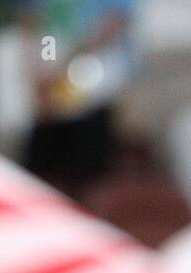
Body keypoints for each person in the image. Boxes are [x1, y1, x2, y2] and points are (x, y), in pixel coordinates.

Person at [15, 0, 136, 198]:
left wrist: (64, 65)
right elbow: (29, 24)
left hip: (93, 81)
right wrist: (43, 73)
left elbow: (113, 25)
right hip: (50, 86)